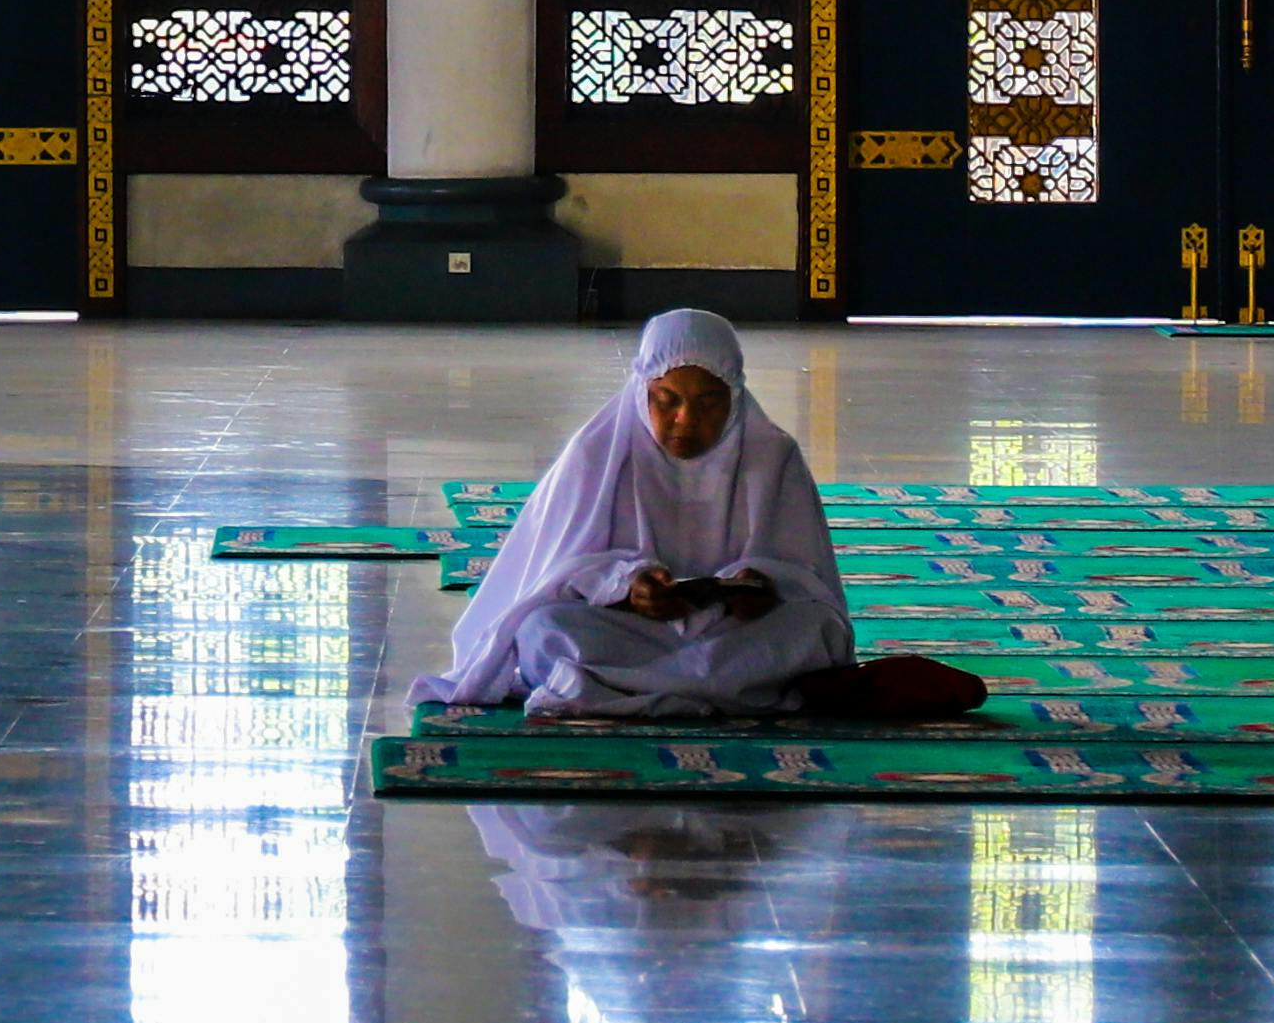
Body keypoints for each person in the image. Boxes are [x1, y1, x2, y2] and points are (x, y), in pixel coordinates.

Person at [409, 308, 990, 725]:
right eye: (668, 400)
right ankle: (732, 693)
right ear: (643, 393)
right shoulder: (598, 453)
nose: (686, 419)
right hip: (628, 629)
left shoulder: (771, 455)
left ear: (734, 396)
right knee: (542, 633)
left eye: (708, 401)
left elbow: (806, 577)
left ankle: (620, 695)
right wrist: (628, 584)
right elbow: (557, 570)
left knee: (810, 632)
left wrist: (761, 584)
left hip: (731, 629)